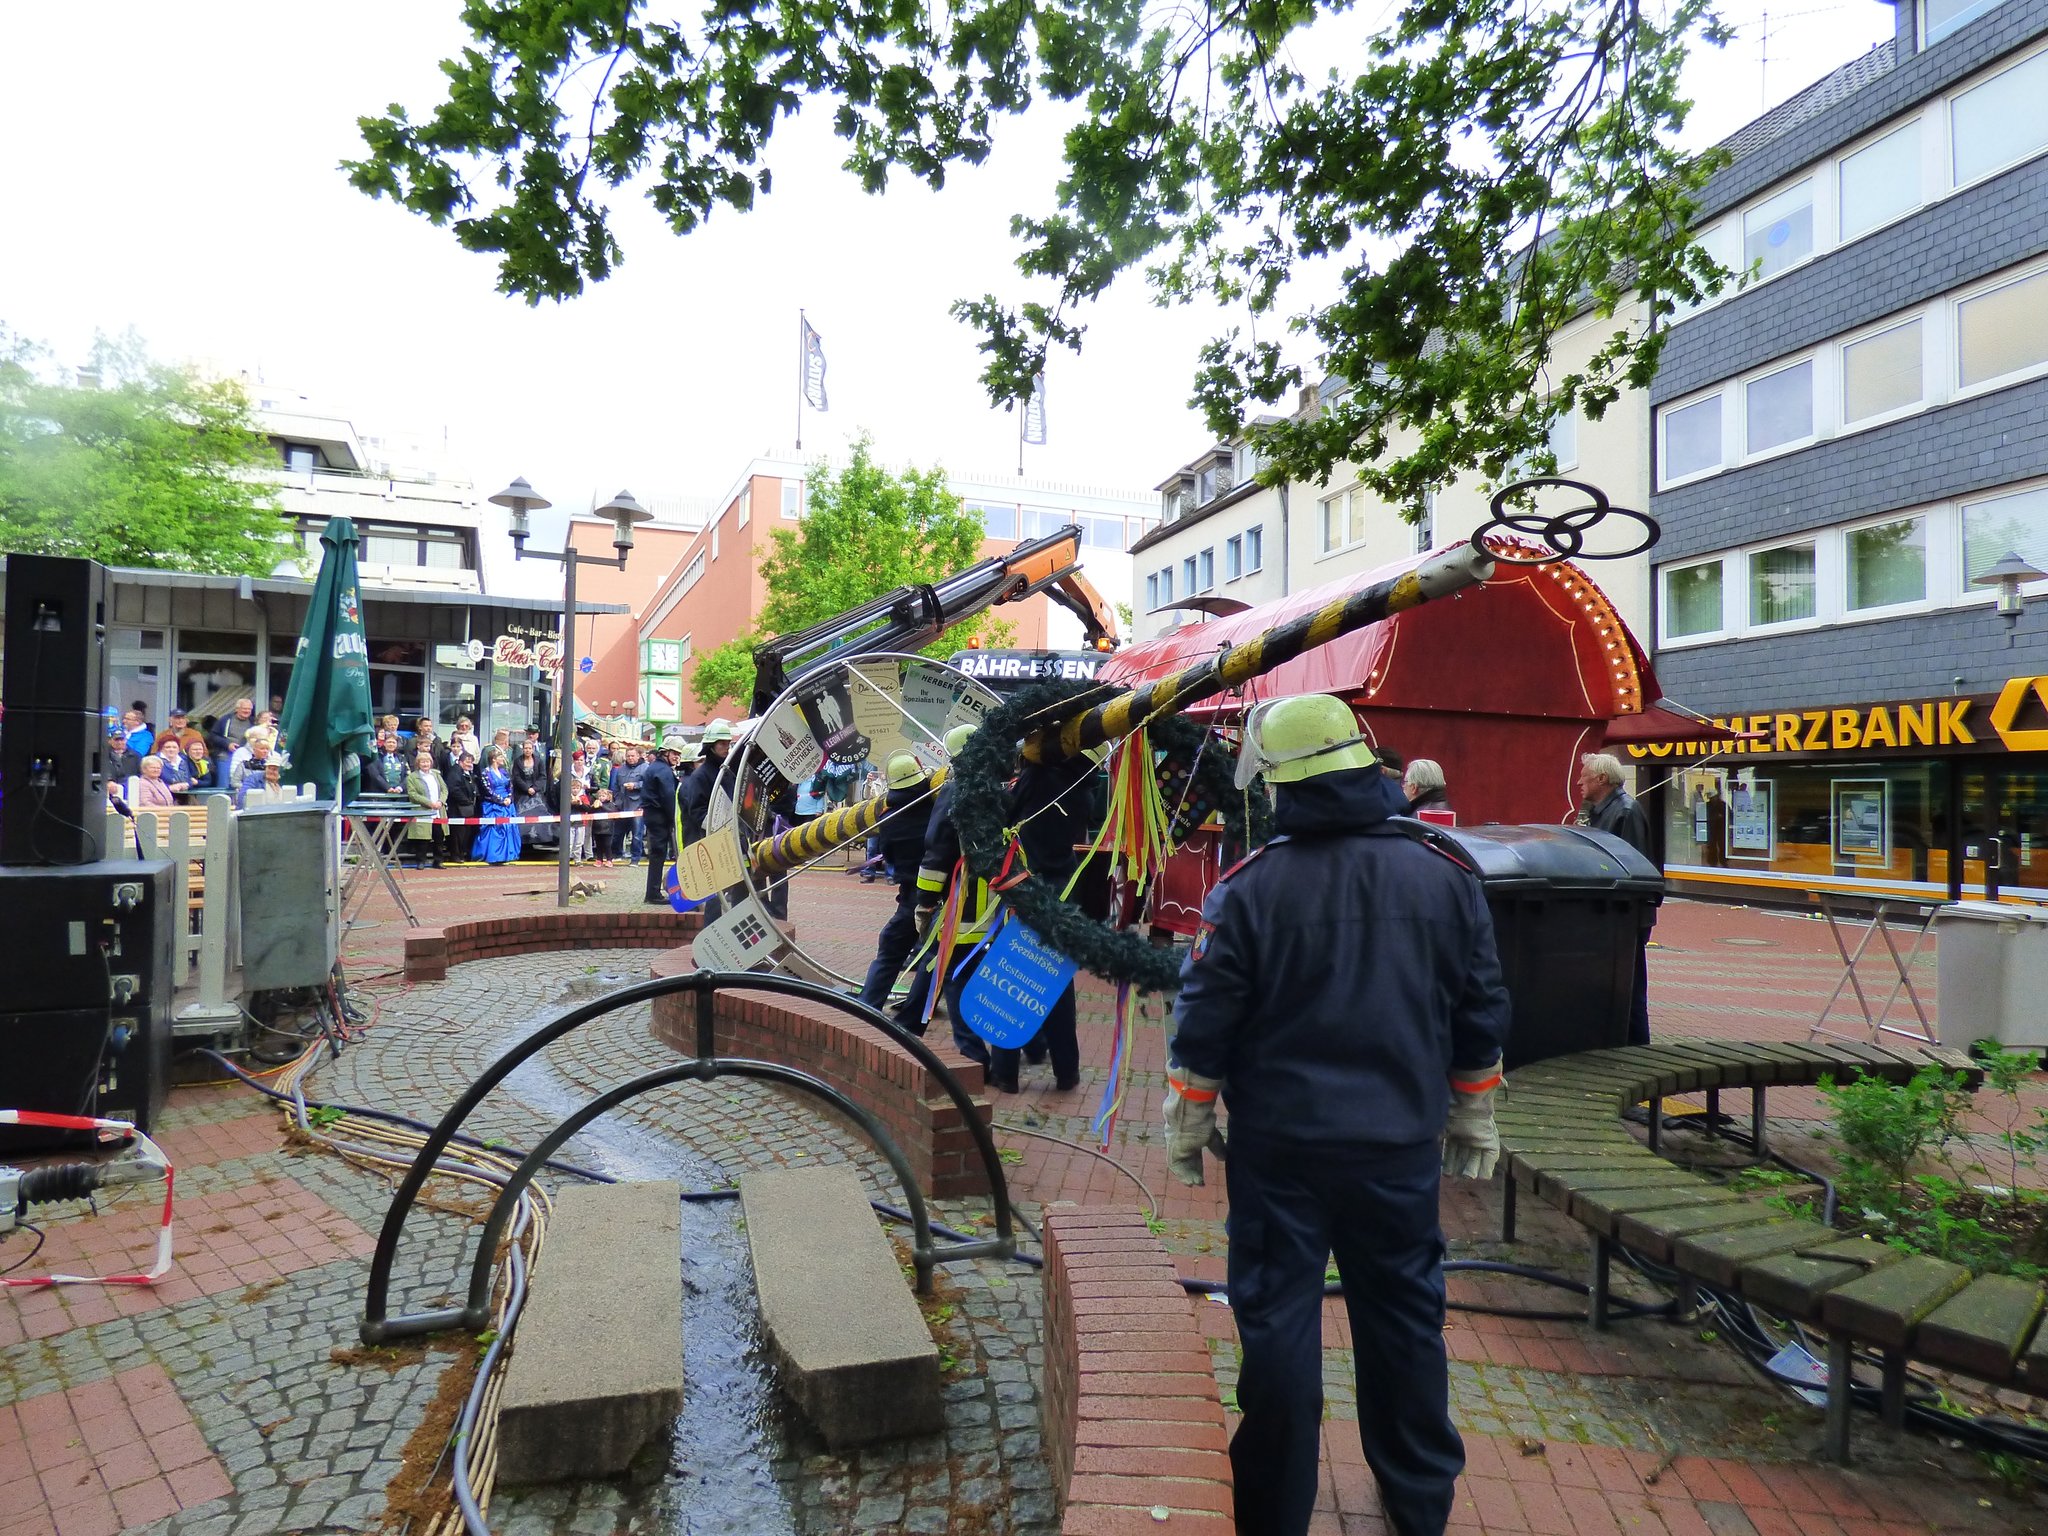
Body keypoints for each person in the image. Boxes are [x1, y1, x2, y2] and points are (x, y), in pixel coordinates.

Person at [1165, 693, 1510, 1536]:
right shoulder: (1445, 873)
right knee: (1403, 1324)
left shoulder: (1249, 890)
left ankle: (1275, 1511)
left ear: (1280, 785)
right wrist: (1473, 1111)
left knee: (1278, 1326)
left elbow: (1208, 1018)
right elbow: (1480, 1005)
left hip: (1280, 1156)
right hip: (1396, 1150)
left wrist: (1190, 1112)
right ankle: (1419, 1502)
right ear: (1361, 762)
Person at [986, 742, 1098, 1092]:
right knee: (1057, 981)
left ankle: (1005, 1073)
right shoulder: (1083, 792)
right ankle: (1068, 1070)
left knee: (1013, 975)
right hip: (1063, 888)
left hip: (1028, 886)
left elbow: (1004, 813)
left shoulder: (1041, 780)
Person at [898, 724, 1003, 1072]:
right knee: (944, 962)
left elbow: (937, 849)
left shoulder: (955, 790)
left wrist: (925, 900)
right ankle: (911, 1023)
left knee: (957, 972)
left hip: (964, 905)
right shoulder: (1000, 788)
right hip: (997, 899)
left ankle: (973, 1053)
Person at [1576, 752, 1657, 1045]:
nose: (1578, 782)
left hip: (1624, 917)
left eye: (1583, 777)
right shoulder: (1599, 811)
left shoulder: (1625, 811)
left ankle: (1636, 1051)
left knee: (1630, 988)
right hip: (1609, 915)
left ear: (1601, 779)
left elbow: (1632, 870)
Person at [858, 753, 937, 1009]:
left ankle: (869, 1006)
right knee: (934, 953)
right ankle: (918, 1008)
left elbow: (887, 856)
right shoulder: (937, 807)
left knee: (890, 952)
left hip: (910, 895)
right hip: (943, 895)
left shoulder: (888, 819)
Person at [679, 720, 735, 917]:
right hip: (711, 841)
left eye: (728, 743)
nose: (726, 748)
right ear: (711, 746)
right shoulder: (701, 776)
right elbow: (697, 812)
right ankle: (713, 926)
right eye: (721, 744)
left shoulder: (726, 771)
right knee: (715, 893)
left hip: (729, 838)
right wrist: (717, 827)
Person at [641, 736, 683, 903]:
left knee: (657, 854)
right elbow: (668, 797)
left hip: (653, 816)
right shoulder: (663, 771)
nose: (677, 757)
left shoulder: (657, 767)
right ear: (666, 752)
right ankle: (652, 894)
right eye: (675, 753)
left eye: (679, 754)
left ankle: (652, 892)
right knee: (658, 854)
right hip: (659, 817)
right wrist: (674, 819)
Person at [473, 747, 524, 865]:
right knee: (494, 828)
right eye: (501, 757)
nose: (503, 759)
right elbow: (487, 790)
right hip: (493, 805)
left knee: (509, 828)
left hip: (507, 805)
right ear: (494, 759)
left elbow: (510, 786)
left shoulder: (504, 772)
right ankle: (493, 854)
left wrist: (509, 798)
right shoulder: (486, 773)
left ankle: (509, 854)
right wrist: (501, 801)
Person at [405, 750, 450, 868]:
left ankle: (438, 861)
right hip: (423, 810)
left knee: (439, 837)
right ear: (418, 764)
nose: (425, 764)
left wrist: (441, 801)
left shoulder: (436, 774)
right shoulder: (412, 777)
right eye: (422, 762)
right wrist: (429, 803)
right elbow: (413, 794)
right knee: (422, 838)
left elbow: (444, 789)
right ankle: (421, 861)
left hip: (438, 811)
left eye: (427, 762)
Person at [610, 744, 648, 865]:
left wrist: (636, 785)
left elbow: (649, 785)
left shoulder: (645, 768)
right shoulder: (621, 769)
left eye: (632, 756)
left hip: (637, 806)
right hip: (622, 805)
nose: (630, 758)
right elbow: (615, 786)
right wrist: (617, 800)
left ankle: (635, 859)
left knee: (637, 835)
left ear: (638, 756)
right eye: (628, 756)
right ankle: (617, 854)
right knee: (618, 833)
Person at [446, 750, 483, 861]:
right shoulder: (454, 772)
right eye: (467, 762)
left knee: (466, 833)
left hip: (468, 809)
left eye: (471, 762)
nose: (469, 764)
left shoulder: (470, 773)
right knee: (457, 834)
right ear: (460, 762)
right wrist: (466, 800)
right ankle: (456, 855)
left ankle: (462, 853)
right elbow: (454, 789)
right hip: (457, 809)